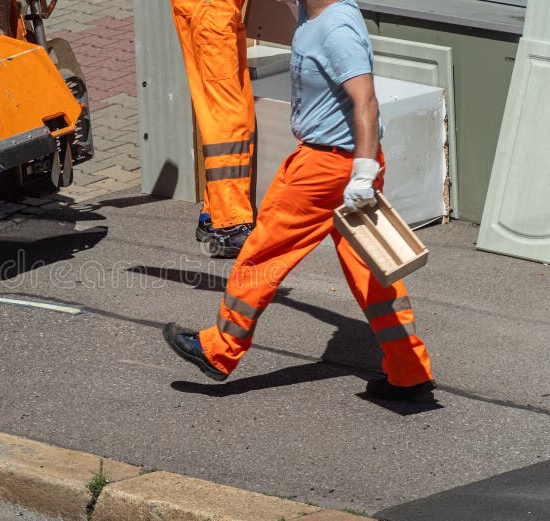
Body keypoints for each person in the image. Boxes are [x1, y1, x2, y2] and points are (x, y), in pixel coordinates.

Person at [164, 0, 435, 401]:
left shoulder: (335, 27)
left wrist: (362, 173)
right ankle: (410, 370)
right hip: (344, 164)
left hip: (326, 168)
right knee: (372, 273)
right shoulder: (316, 13)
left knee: (262, 253)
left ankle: (219, 350)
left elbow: (366, 101)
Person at [170, 0, 256, 258]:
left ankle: (215, 214)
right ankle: (230, 224)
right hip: (212, 11)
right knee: (227, 117)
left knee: (233, 109)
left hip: (215, 10)